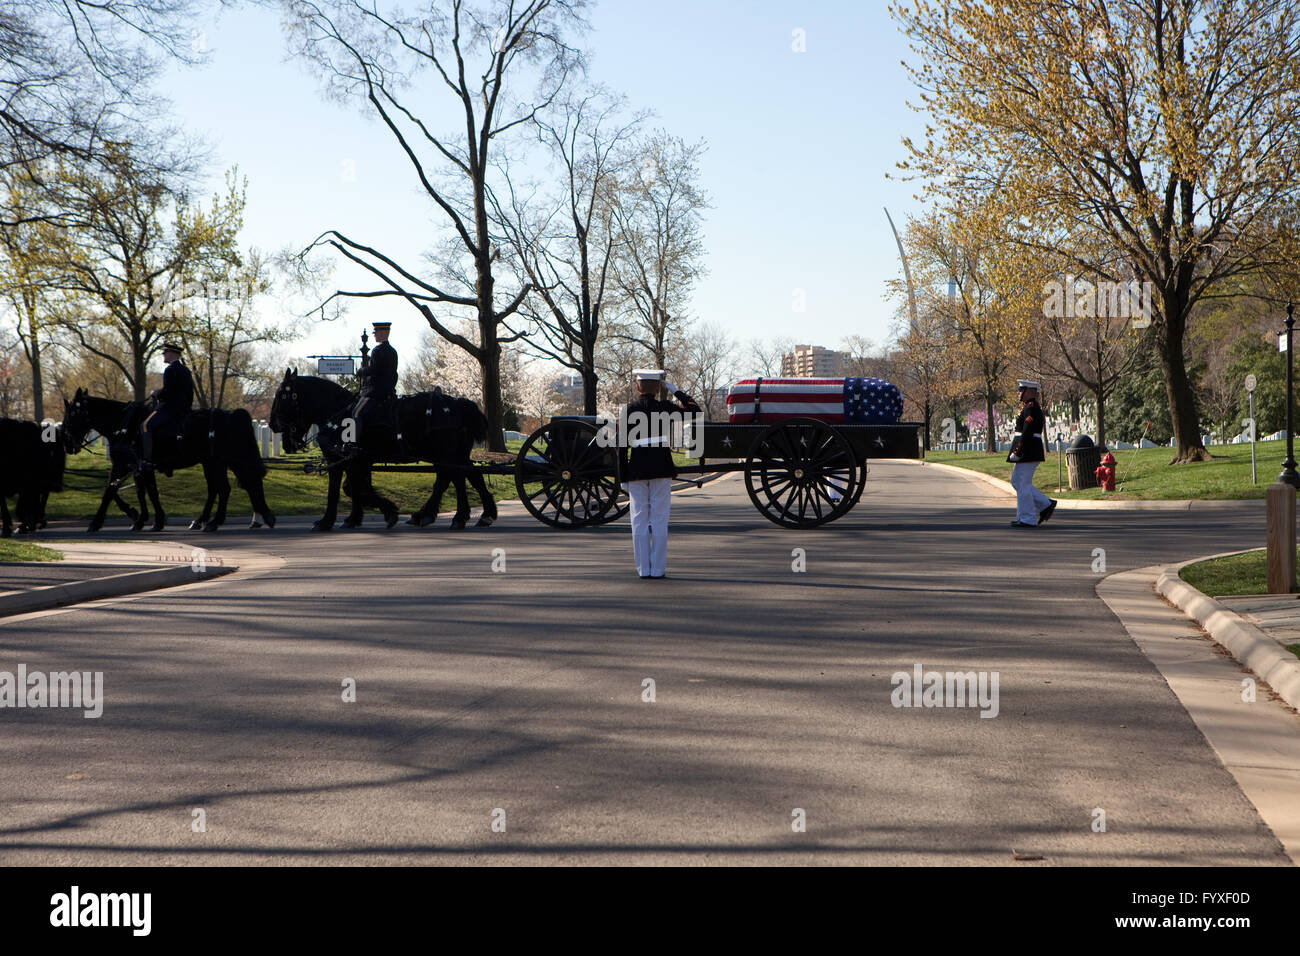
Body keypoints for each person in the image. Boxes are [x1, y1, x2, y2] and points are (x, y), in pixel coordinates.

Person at [621, 369, 701, 579]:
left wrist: (622, 477)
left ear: (638, 387)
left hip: (637, 469)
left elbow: (620, 448)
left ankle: (643, 569)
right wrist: (676, 391)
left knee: (638, 520)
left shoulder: (629, 410)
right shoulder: (665, 407)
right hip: (661, 468)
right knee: (659, 520)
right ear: (657, 388)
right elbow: (694, 410)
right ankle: (658, 569)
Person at [1007, 379, 1057, 527]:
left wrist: (1019, 451)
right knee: (1017, 481)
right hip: (1028, 450)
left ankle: (1027, 518)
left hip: (1028, 451)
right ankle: (1045, 504)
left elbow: (1027, 432)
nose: (1018, 393)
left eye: (1021, 390)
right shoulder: (1028, 407)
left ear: (1029, 392)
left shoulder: (1031, 408)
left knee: (1023, 484)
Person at [141, 341, 193, 473]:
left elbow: (168, 392)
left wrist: (156, 393)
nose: (164, 355)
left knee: (146, 425)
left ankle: (147, 459)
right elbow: (189, 393)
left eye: (165, 353)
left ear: (171, 354)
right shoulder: (186, 370)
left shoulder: (170, 370)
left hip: (170, 409)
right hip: (183, 410)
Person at [347, 321, 398, 453]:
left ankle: (353, 444)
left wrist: (361, 371)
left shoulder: (377, 350)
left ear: (382, 333)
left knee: (356, 413)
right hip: (388, 391)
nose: (374, 335)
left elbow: (374, 370)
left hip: (374, 392)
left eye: (375, 333)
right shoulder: (393, 351)